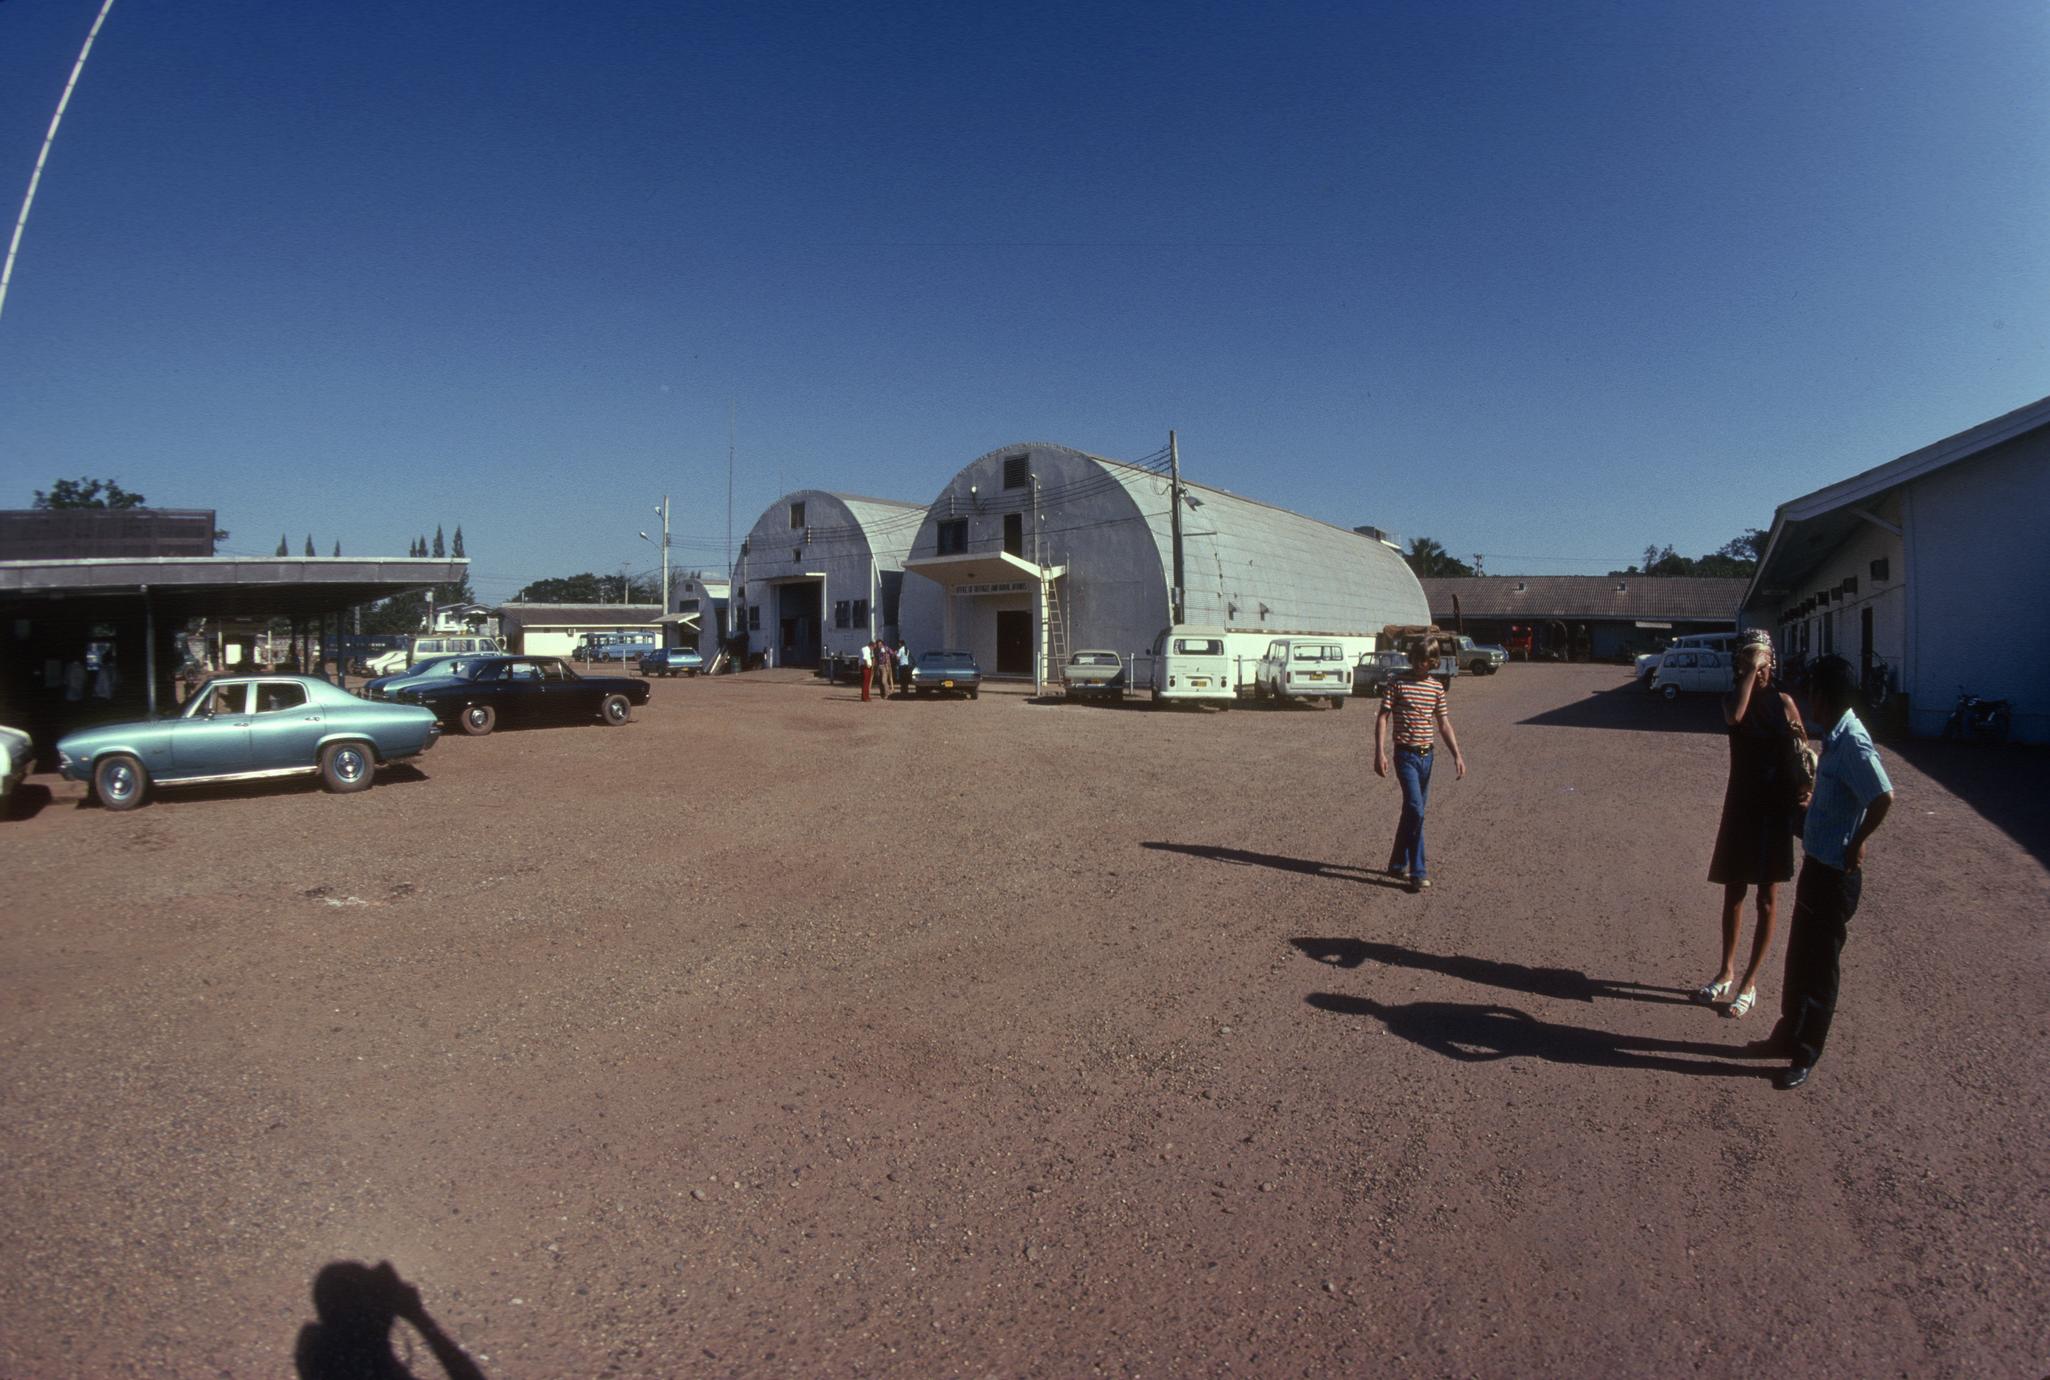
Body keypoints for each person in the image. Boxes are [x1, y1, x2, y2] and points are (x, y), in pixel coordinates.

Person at [1766, 655, 1894, 1091]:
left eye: (1812, 692)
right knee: (1799, 955)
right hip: (1816, 864)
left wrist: (1859, 841)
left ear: (1823, 696)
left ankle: (1806, 1052)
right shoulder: (1834, 738)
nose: (1808, 700)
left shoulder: (1855, 743)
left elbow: (1882, 796)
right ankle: (1788, 1032)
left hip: (1836, 874)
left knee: (1820, 967)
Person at [1696, 630, 1802, 1019]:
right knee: (1733, 891)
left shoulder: (1784, 702)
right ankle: (1726, 969)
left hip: (1773, 807)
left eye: (1764, 661)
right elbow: (1737, 717)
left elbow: (1801, 748)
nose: (1759, 668)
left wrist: (1803, 790)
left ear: (1772, 664)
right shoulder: (1731, 700)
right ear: (1741, 663)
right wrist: (1748, 673)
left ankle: (1750, 982)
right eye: (1751, 660)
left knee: (1767, 897)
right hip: (1741, 802)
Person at [1374, 638, 1466, 893]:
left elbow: (1444, 724)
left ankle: (1396, 863)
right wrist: (1379, 752)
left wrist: (1457, 755)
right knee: (1417, 809)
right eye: (1415, 659)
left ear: (1434, 662)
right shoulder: (1397, 683)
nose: (1419, 665)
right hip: (1405, 756)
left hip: (1428, 757)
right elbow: (1383, 717)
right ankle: (1418, 871)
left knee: (1413, 812)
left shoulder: (1436, 688)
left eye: (1424, 661)